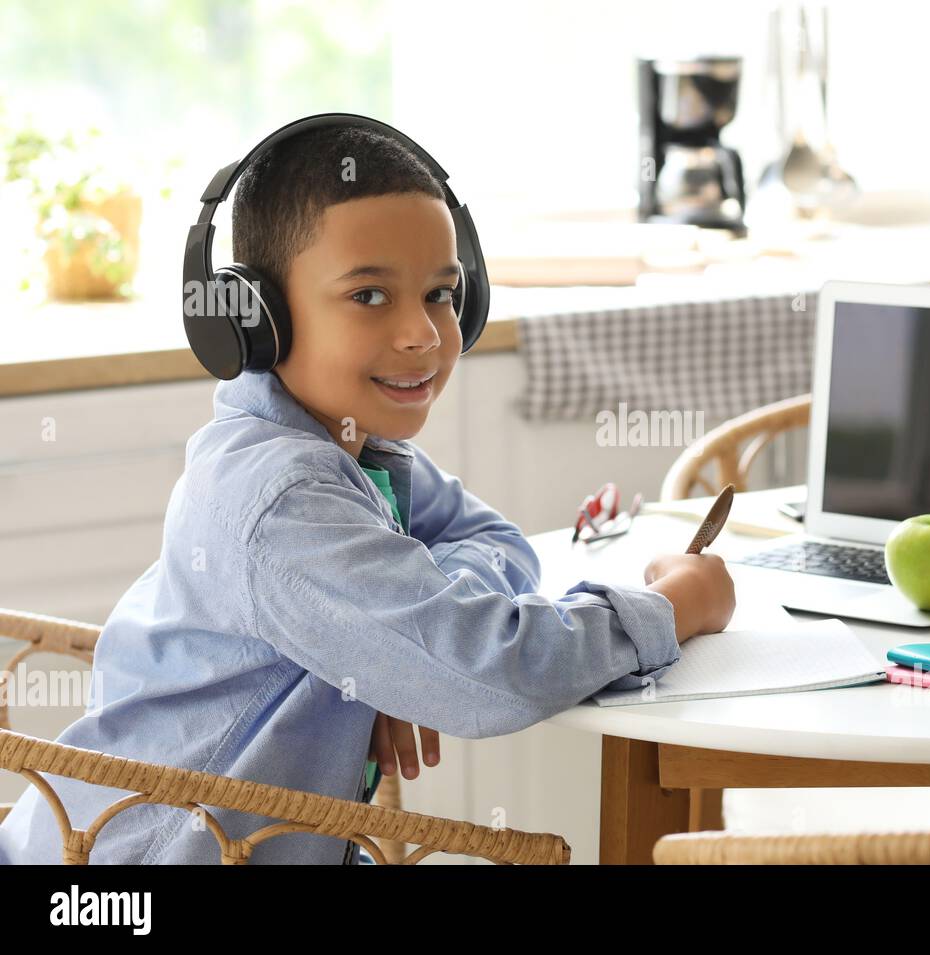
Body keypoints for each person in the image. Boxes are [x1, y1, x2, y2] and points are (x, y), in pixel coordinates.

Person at [0, 120, 735, 864]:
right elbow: (490, 667)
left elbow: (496, 542)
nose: (422, 332)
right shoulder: (284, 495)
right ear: (255, 318)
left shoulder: (355, 447)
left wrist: (400, 639)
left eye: (443, 293)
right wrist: (673, 606)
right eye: (370, 294)